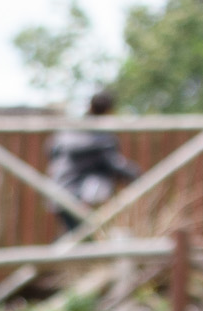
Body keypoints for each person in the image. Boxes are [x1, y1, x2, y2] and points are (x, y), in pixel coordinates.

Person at [45, 87, 139, 232]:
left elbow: (50, 149)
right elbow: (114, 164)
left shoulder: (70, 130)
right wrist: (137, 175)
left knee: (74, 236)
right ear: (110, 110)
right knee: (83, 238)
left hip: (58, 190)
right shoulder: (102, 137)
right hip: (82, 196)